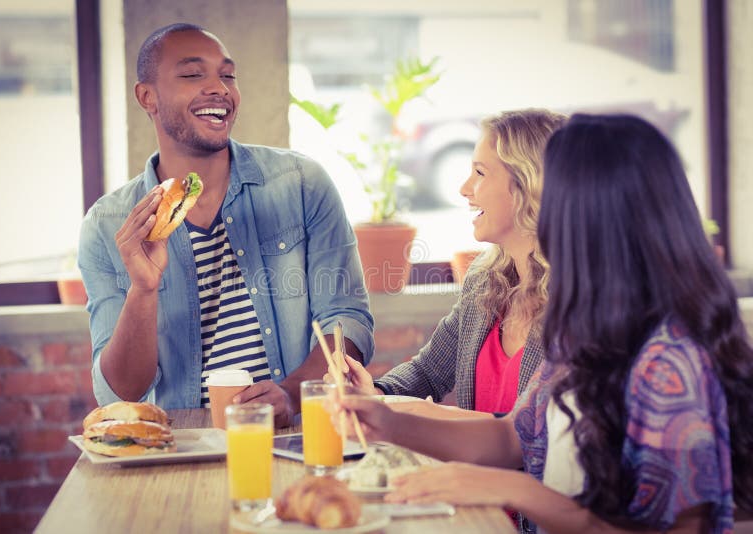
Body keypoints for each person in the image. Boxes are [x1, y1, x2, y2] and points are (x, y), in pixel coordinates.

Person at [333, 114, 753, 533]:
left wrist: (515, 490)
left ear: (597, 217)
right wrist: (388, 421)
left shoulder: (671, 360)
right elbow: (513, 437)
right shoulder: (587, 328)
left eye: (557, 201)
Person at [78, 23, 373, 427]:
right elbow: (119, 392)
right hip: (181, 447)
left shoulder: (302, 183)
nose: (219, 88)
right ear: (147, 97)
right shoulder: (106, 226)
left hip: (297, 436)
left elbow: (348, 318)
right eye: (192, 74)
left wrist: (292, 394)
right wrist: (143, 289)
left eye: (227, 75)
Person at [334, 109, 566, 417]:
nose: (464, 189)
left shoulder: (578, 303)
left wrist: (415, 418)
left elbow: (530, 437)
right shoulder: (484, 280)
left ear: (528, 184)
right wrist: (376, 392)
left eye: (480, 173)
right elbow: (428, 372)